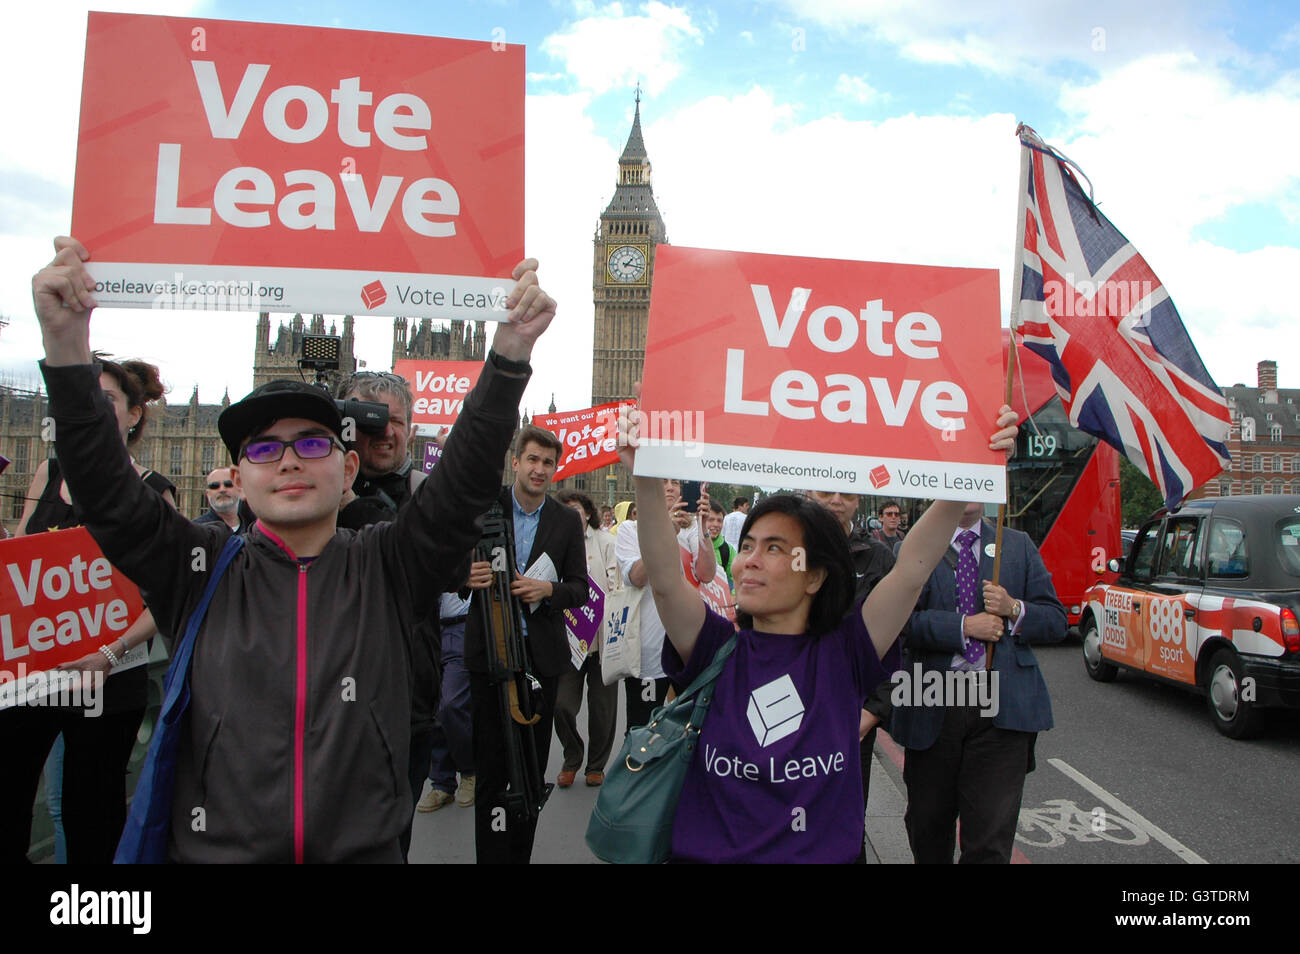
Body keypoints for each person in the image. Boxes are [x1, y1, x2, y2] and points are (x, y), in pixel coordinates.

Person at [29, 235, 556, 862]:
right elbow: (106, 493)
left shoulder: (387, 566)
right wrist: (65, 347)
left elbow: (463, 483)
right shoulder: (197, 568)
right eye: (262, 448)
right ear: (241, 476)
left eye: (311, 443)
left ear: (348, 467)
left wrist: (510, 354)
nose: (286, 461)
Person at [617, 403, 1018, 862]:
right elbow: (666, 579)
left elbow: (911, 571)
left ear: (813, 576)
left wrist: (971, 463)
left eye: (774, 548)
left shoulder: (847, 651)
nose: (749, 559)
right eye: (748, 545)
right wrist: (644, 476)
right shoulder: (715, 649)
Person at [2, 354, 176, 864]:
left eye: (107, 401)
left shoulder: (151, 492)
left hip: (107, 677)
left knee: (91, 812)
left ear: (134, 415)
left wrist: (108, 651)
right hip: (32, 674)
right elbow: (18, 566)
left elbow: (165, 593)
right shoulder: (47, 472)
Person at [890, 501, 1067, 864]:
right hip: (933, 702)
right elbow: (899, 623)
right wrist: (963, 627)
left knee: (989, 840)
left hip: (1000, 712)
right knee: (927, 828)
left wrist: (1014, 608)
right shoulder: (913, 547)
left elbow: (1055, 621)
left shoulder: (1017, 545)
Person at [333, 369, 460, 859]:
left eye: (397, 421)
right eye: (370, 420)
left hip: (404, 695)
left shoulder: (426, 489)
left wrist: (352, 505)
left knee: (391, 838)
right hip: (319, 695)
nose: (385, 432)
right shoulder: (305, 478)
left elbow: (441, 569)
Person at [463, 424, 588, 864]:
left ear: (556, 469)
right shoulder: (482, 507)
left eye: (548, 463)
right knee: (493, 768)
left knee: (531, 772)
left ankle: (519, 855)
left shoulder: (566, 519)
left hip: (541, 658)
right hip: (490, 657)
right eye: (532, 460)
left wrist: (547, 591)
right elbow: (443, 562)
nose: (539, 469)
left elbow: (579, 588)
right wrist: (465, 575)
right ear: (515, 461)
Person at [807, 488, 897, 839]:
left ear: (859, 499)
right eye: (827, 492)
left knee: (845, 827)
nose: (836, 501)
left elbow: (896, 642)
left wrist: (872, 712)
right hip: (789, 711)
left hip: (852, 717)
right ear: (808, 493)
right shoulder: (786, 551)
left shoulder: (877, 557)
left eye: (846, 493)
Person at [614, 478, 715, 733]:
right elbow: (636, 577)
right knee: (641, 729)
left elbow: (706, 574)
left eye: (676, 483)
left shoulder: (691, 530)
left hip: (688, 647)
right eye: (662, 482)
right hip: (648, 652)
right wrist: (664, 530)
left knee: (692, 728)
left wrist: (703, 528)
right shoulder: (630, 529)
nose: (670, 488)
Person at [552, 489, 620, 787]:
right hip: (566, 641)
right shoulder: (553, 544)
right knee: (561, 705)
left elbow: (617, 585)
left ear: (588, 513)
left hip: (602, 640)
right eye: (564, 509)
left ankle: (595, 765)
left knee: (602, 710)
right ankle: (572, 757)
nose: (571, 514)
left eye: (576, 509)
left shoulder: (606, 542)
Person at [194, 466, 249, 533]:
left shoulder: (253, 529)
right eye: (214, 486)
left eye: (228, 484)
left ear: (240, 489)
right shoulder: (196, 530)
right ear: (207, 494)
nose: (222, 490)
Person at [705, 499, 734, 586]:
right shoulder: (689, 543)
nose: (716, 524)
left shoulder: (728, 550)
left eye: (719, 521)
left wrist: (733, 595)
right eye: (711, 520)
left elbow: (737, 579)